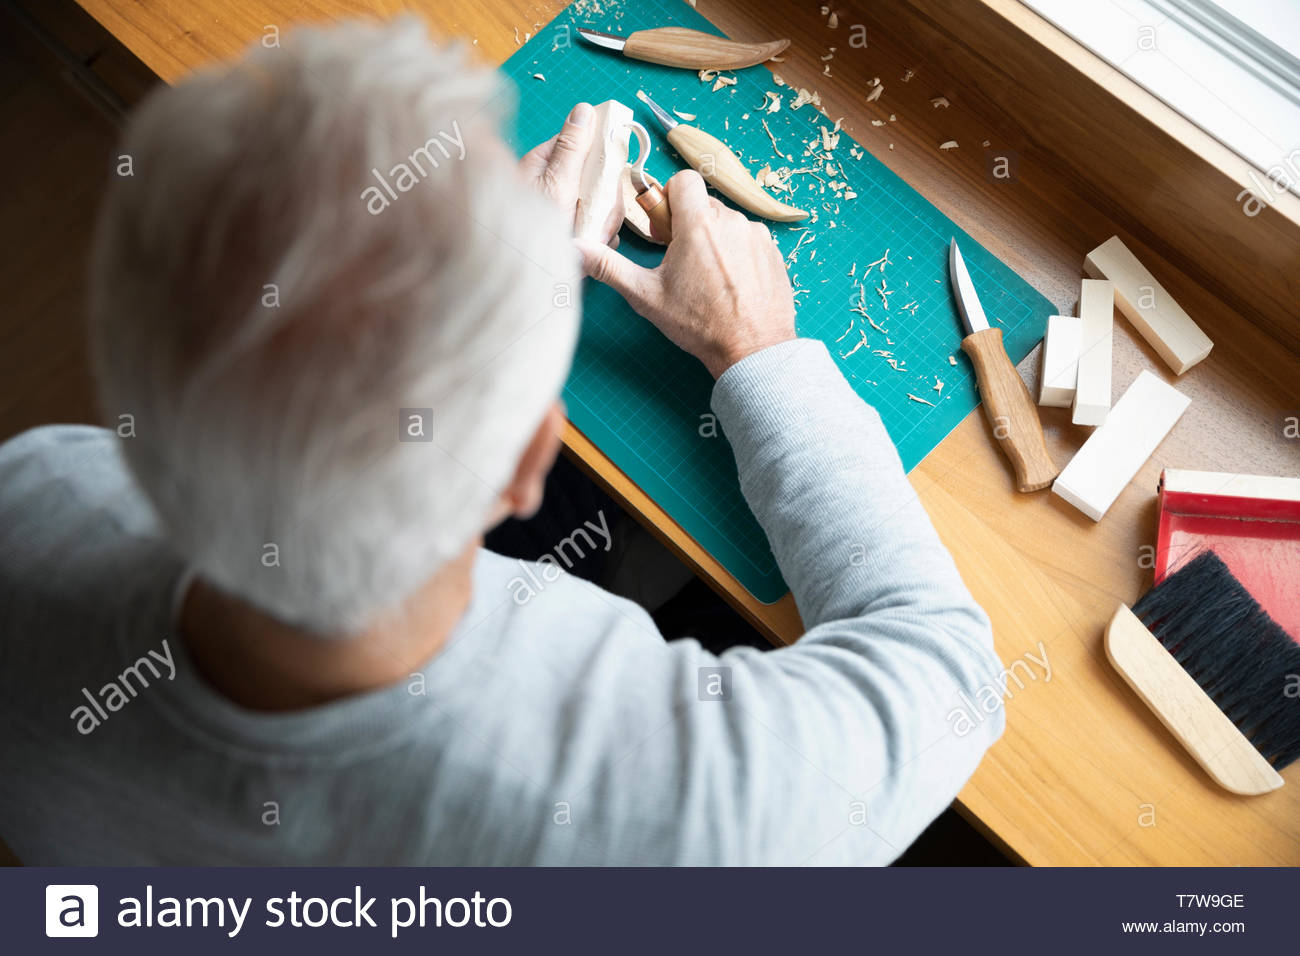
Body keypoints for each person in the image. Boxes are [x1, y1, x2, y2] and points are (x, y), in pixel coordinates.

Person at [0, 19, 1003, 865]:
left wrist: (475, 321)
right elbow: (945, 668)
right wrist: (755, 345)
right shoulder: (691, 819)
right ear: (530, 458)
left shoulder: (33, 492)